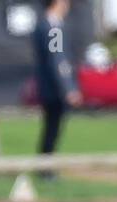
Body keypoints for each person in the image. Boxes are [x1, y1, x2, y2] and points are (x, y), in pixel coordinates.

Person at [32, 0, 79, 171]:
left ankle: (46, 166)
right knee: (52, 129)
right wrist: (68, 88)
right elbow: (57, 60)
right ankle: (46, 168)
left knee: (52, 128)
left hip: (50, 87)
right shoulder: (53, 29)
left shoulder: (46, 25)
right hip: (54, 89)